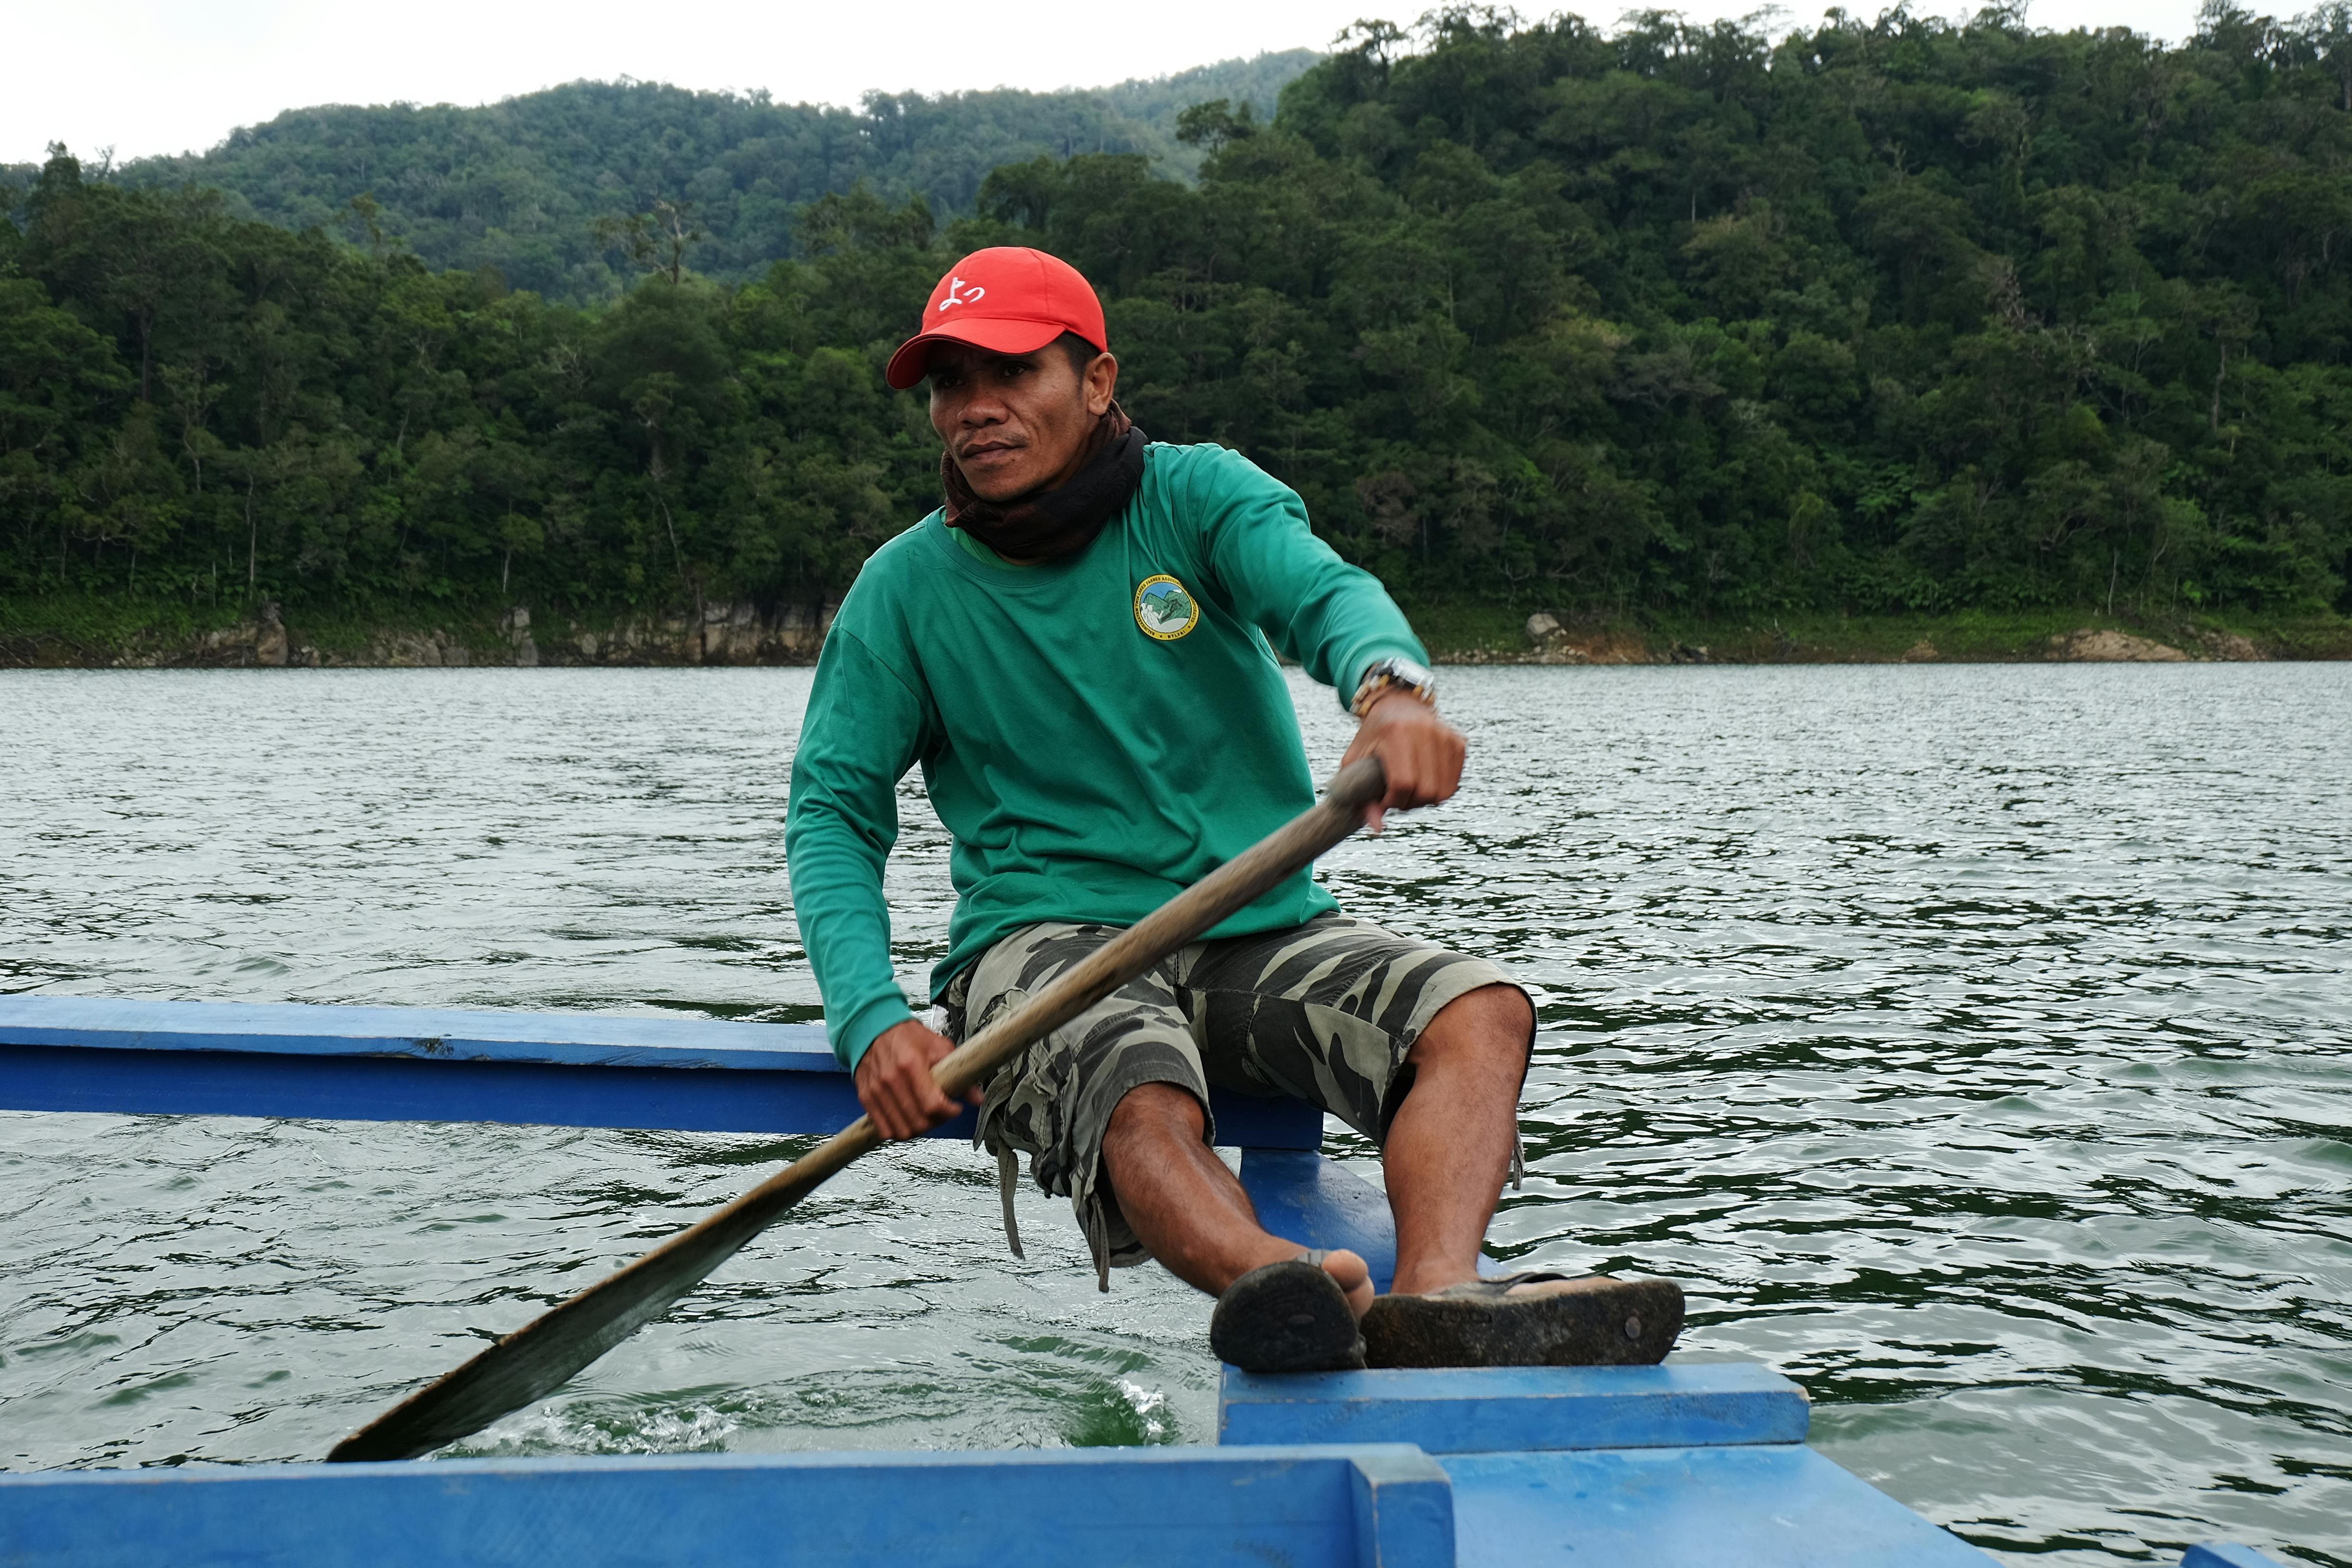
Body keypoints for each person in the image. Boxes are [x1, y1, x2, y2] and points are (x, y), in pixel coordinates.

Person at [784, 246, 1680, 1372]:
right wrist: (869, 1016)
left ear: (1098, 381)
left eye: (1010, 373)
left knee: (1479, 1011)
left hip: (1261, 930)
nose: (977, 412)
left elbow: (1321, 590)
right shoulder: (904, 591)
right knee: (1133, 1079)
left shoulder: (1197, 498)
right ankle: (1284, 1292)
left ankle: (1443, 1297)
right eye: (951, 386)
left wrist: (1391, 694)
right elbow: (833, 810)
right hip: (1045, 942)